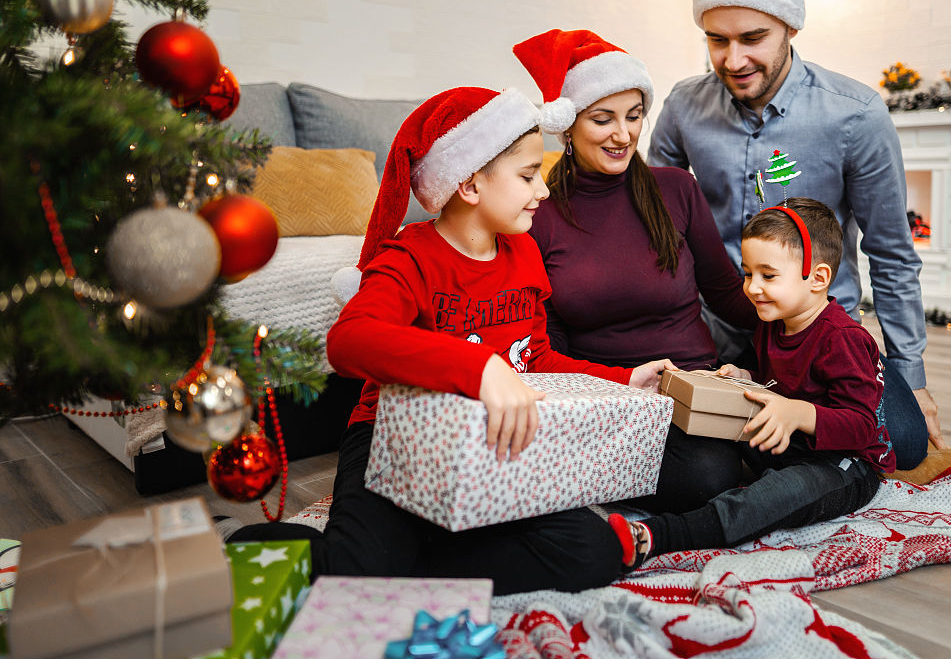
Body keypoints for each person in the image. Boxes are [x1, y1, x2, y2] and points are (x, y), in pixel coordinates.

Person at [229, 86, 674, 595]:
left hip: (491, 446)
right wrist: (477, 366)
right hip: (393, 440)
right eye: (528, 176)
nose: (544, 191)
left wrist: (624, 378)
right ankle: (245, 542)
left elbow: (537, 357)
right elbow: (348, 341)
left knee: (592, 552)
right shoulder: (409, 258)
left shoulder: (525, 253)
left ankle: (411, 557)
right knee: (356, 567)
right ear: (469, 185)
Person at [647, 0, 944, 467]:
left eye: (752, 38)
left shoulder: (855, 114)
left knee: (903, 441)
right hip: (719, 329)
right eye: (717, 40)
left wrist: (911, 375)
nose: (733, 59)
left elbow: (893, 254)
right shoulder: (684, 106)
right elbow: (650, 218)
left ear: (790, 25)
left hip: (816, 334)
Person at [513, 28, 759, 511]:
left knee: (715, 474)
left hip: (696, 387)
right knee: (704, 479)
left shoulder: (676, 189)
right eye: (603, 119)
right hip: (608, 397)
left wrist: (813, 324)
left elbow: (726, 292)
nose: (623, 135)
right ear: (567, 124)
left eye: (633, 116)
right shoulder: (538, 212)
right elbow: (549, 335)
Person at [608, 198, 891, 568]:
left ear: (818, 278)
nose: (752, 288)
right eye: (747, 273)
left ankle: (660, 535)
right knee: (705, 433)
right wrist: (747, 379)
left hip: (842, 463)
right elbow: (777, 380)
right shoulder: (771, 324)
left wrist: (798, 412)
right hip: (784, 444)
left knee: (773, 497)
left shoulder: (843, 338)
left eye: (768, 276)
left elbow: (861, 426)